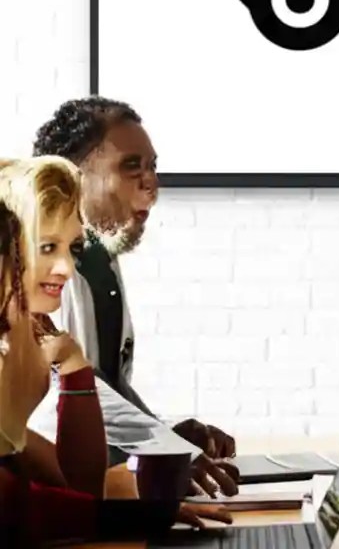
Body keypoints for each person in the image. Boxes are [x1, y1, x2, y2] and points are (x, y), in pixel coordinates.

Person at [0, 156, 230, 545]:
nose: (66, 267)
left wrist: (73, 364)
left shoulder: (28, 340)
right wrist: (138, 516)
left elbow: (76, 488)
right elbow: (15, 510)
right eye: (47, 247)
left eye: (72, 247)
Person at [29, 97, 237, 498]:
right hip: (59, 490)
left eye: (152, 167)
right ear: (71, 176)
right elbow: (66, 393)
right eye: (131, 167)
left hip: (94, 486)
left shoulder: (100, 257)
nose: (151, 184)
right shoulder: (41, 271)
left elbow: (108, 385)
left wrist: (165, 433)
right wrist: (164, 446)